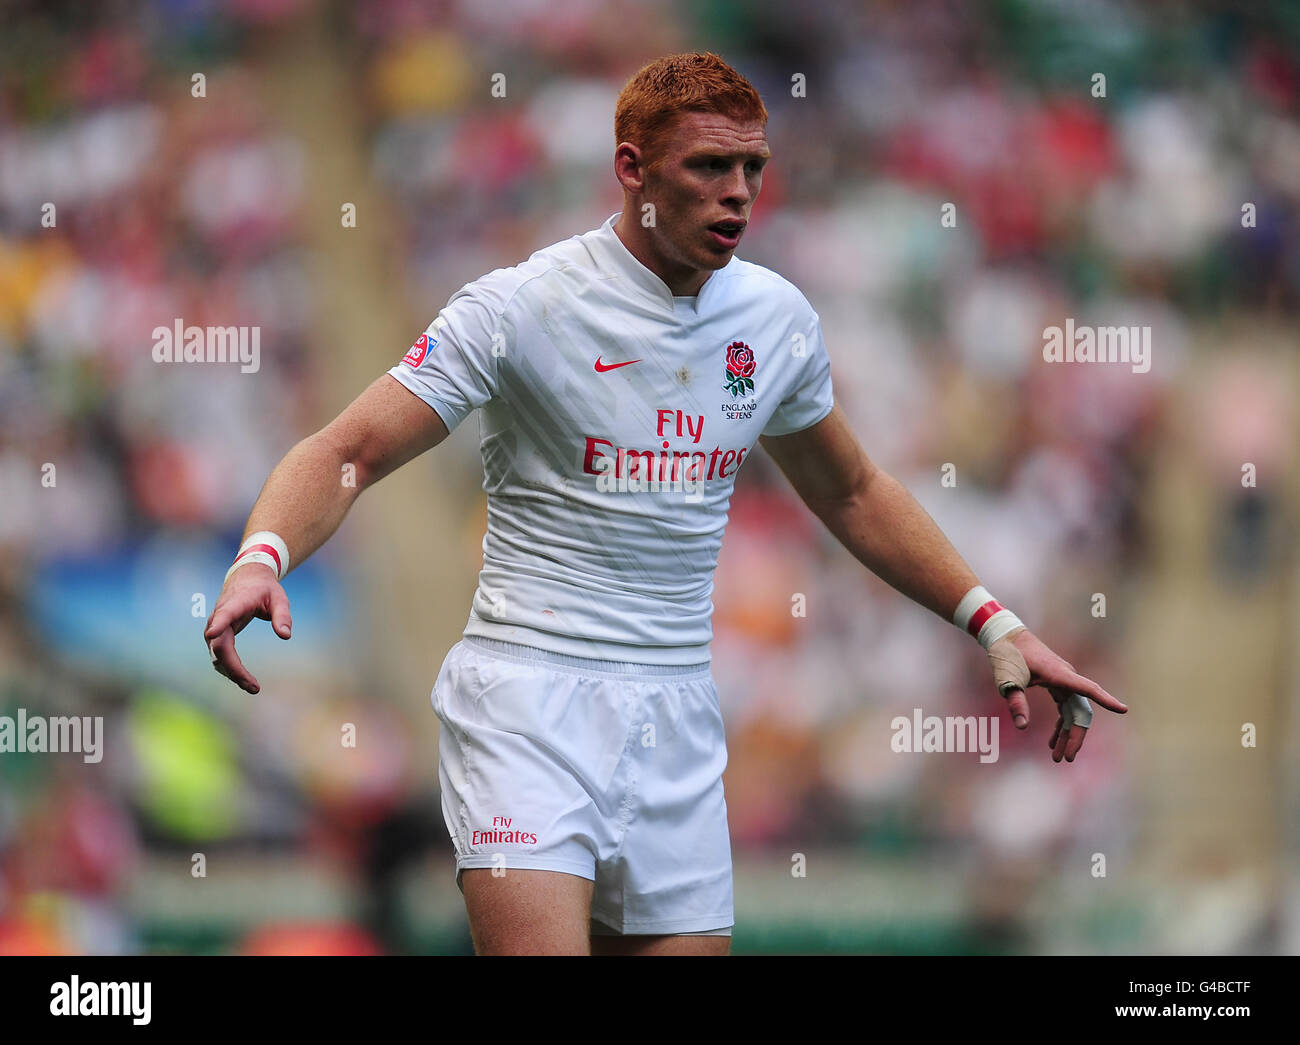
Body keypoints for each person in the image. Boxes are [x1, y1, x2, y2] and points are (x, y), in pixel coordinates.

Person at [204, 52, 1126, 956]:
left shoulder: (775, 322)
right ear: (632, 170)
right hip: (529, 700)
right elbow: (347, 449)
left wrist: (991, 619)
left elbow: (851, 489)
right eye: (709, 167)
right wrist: (263, 555)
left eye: (752, 168)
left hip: (678, 716)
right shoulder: (522, 306)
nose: (738, 193)